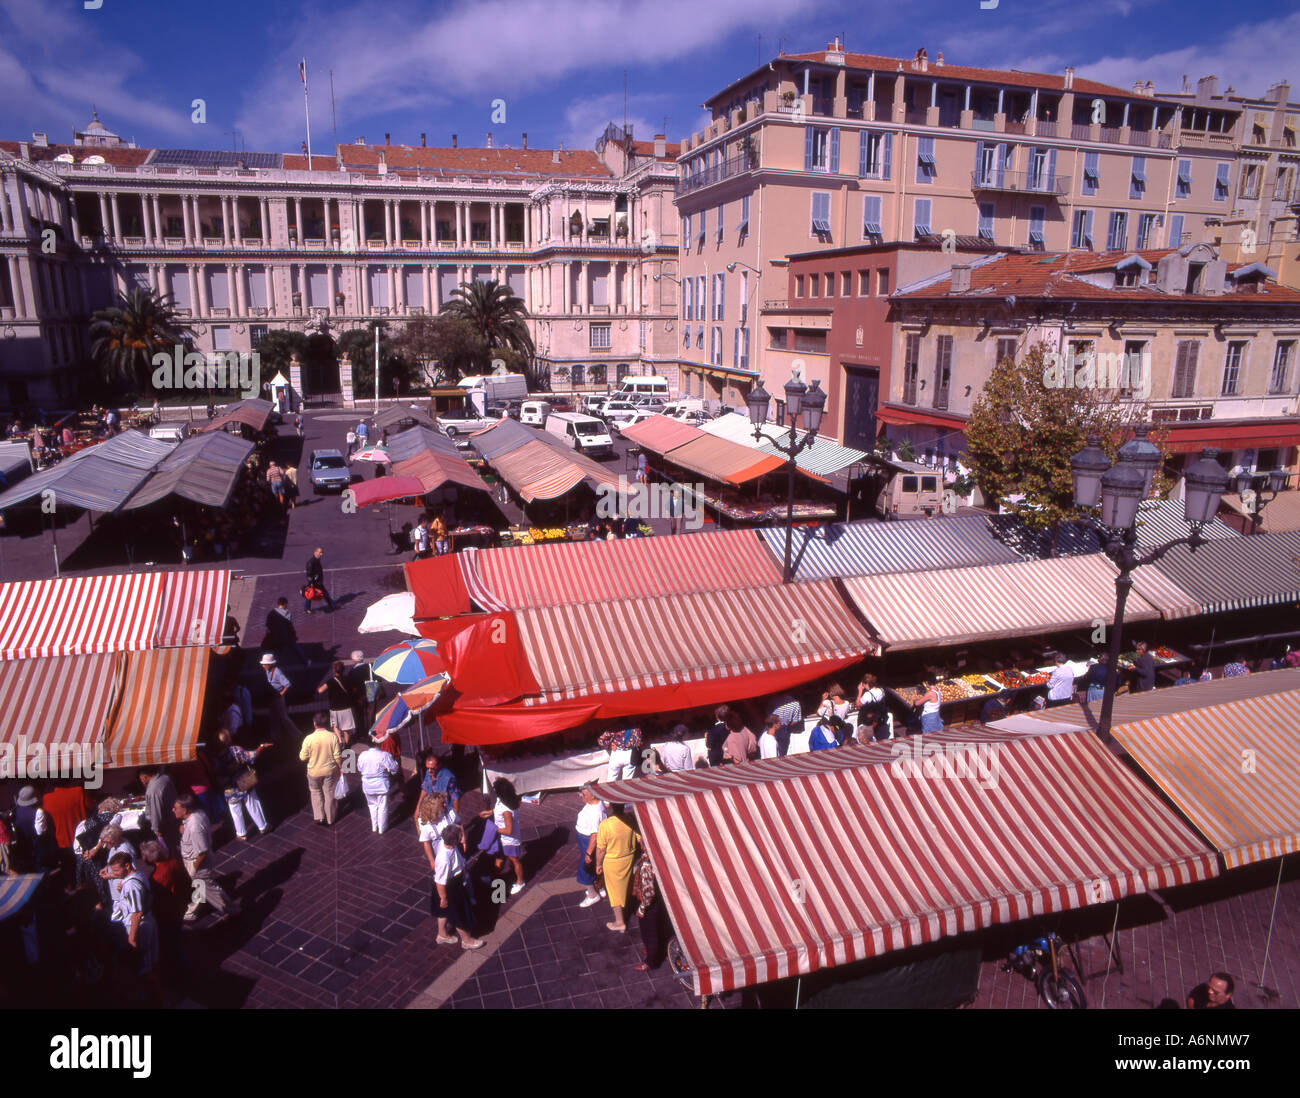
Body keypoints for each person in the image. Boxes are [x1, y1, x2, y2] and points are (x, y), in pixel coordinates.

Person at [102, 851, 160, 995]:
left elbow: (136, 913)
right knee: (150, 961)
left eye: (116, 870)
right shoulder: (137, 875)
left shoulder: (131, 886)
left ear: (127, 866)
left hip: (139, 926)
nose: (114, 873)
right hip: (149, 921)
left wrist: (132, 938)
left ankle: (156, 997)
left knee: (143, 966)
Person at [174, 794, 238, 920]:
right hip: (197, 860)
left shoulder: (194, 827)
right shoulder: (198, 814)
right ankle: (195, 907)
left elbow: (202, 852)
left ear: (185, 810)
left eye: (175, 808)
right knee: (200, 886)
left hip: (197, 863)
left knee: (209, 889)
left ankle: (232, 909)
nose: (173, 810)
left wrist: (193, 868)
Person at [426, 823, 484, 950]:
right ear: (455, 840)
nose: (463, 836)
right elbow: (440, 881)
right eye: (460, 836)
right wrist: (443, 898)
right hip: (449, 888)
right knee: (459, 913)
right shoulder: (445, 859)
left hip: (450, 885)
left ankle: (442, 934)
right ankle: (467, 940)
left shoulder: (446, 843)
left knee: (443, 912)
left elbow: (457, 825)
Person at [213, 729, 272, 841]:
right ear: (228, 739)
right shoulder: (236, 750)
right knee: (252, 803)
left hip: (229, 787)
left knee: (235, 810)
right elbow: (252, 756)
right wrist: (262, 746)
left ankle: (241, 833)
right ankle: (263, 826)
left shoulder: (215, 758)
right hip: (244, 781)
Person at [595, 807, 639, 933]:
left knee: (614, 892)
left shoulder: (606, 825)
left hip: (612, 862)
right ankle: (627, 909)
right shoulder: (630, 818)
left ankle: (620, 922)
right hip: (628, 858)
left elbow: (601, 849)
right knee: (625, 886)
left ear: (609, 806)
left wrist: (598, 865)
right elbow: (639, 837)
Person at [483, 778, 526, 894]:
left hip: (509, 840)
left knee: (514, 860)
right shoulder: (501, 800)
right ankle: (493, 878)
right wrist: (490, 812)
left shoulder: (507, 811)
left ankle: (520, 882)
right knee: (499, 858)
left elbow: (509, 830)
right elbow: (497, 808)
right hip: (501, 838)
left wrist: (494, 830)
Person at [299, 712, 342, 826]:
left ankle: (319, 816)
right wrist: (341, 767)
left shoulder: (308, 739)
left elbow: (302, 757)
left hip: (314, 772)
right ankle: (330, 818)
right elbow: (337, 756)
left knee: (315, 792)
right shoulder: (332, 736)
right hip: (330, 771)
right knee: (329, 793)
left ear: (314, 724)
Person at [632, 849, 670, 972]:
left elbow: (648, 893)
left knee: (649, 931)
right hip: (658, 900)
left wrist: (642, 909)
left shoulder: (647, 865)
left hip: (648, 904)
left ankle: (651, 961)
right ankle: (651, 949)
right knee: (657, 926)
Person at [357, 739, 400, 834]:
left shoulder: (362, 755)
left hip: (367, 785)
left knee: (372, 805)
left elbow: (359, 768)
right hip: (381, 785)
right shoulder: (384, 755)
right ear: (378, 743)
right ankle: (382, 828)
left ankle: (374, 826)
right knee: (382, 806)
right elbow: (394, 768)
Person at [574, 785, 606, 909]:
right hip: (584, 839)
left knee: (585, 867)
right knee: (593, 865)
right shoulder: (594, 803)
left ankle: (593, 895)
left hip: (587, 841)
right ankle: (600, 887)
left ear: (593, 795)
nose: (581, 796)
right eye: (581, 794)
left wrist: (588, 853)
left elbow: (595, 835)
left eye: (584, 795)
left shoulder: (595, 812)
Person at [12, 786, 57, 872]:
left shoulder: (16, 812)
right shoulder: (39, 812)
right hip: (39, 853)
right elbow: (40, 832)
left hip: (24, 853)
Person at [137, 766, 179, 854]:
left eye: (140, 779)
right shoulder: (165, 778)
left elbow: (156, 812)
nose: (141, 781)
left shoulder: (153, 789)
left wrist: (157, 831)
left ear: (144, 776)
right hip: (173, 819)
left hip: (165, 825)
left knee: (167, 850)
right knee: (174, 846)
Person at [259, 653, 299, 740]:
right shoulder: (268, 671)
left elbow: (287, 684)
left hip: (278, 698)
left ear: (270, 664)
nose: (262, 666)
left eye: (264, 664)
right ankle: (275, 736)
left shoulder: (277, 672)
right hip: (272, 697)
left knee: (283, 717)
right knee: (274, 717)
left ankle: (297, 735)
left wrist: (281, 694)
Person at [317, 660, 357, 745]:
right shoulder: (348, 679)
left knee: (335, 725)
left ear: (334, 670)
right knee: (347, 727)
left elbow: (320, 691)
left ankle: (339, 740)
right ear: (343, 669)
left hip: (334, 708)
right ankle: (347, 743)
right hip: (347, 707)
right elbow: (354, 690)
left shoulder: (331, 681)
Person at [417, 750, 462, 815]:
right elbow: (424, 788)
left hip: (444, 811)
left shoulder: (449, 778)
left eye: (432, 768)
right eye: (427, 768)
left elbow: (456, 798)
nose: (429, 771)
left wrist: (455, 818)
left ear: (439, 765)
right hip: (433, 807)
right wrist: (418, 808)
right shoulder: (429, 773)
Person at [264, 597, 306, 665]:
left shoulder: (271, 613)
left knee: (277, 652)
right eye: (286, 604)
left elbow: (268, 625)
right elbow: (290, 626)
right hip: (286, 636)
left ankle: (276, 664)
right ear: (284, 604)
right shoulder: (286, 613)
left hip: (275, 637)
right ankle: (305, 662)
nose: (287, 606)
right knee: (296, 648)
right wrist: (294, 635)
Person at [766, 693, 803, 758]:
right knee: (781, 755)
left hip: (771, 728)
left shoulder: (773, 700)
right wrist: (786, 725)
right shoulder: (796, 703)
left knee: (768, 753)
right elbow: (795, 721)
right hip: (784, 731)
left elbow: (769, 716)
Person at [855, 674, 888, 742]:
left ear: (866, 683)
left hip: (868, 721)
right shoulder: (881, 690)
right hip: (878, 718)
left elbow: (858, 704)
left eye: (863, 684)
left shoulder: (868, 695)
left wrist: (860, 691)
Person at [304, 547, 335, 613]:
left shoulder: (316, 560)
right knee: (324, 593)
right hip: (316, 582)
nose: (321, 554)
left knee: (309, 594)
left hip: (316, 581)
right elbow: (309, 574)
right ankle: (332, 605)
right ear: (315, 552)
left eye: (322, 552)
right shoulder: (311, 562)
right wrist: (311, 583)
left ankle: (307, 608)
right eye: (320, 552)